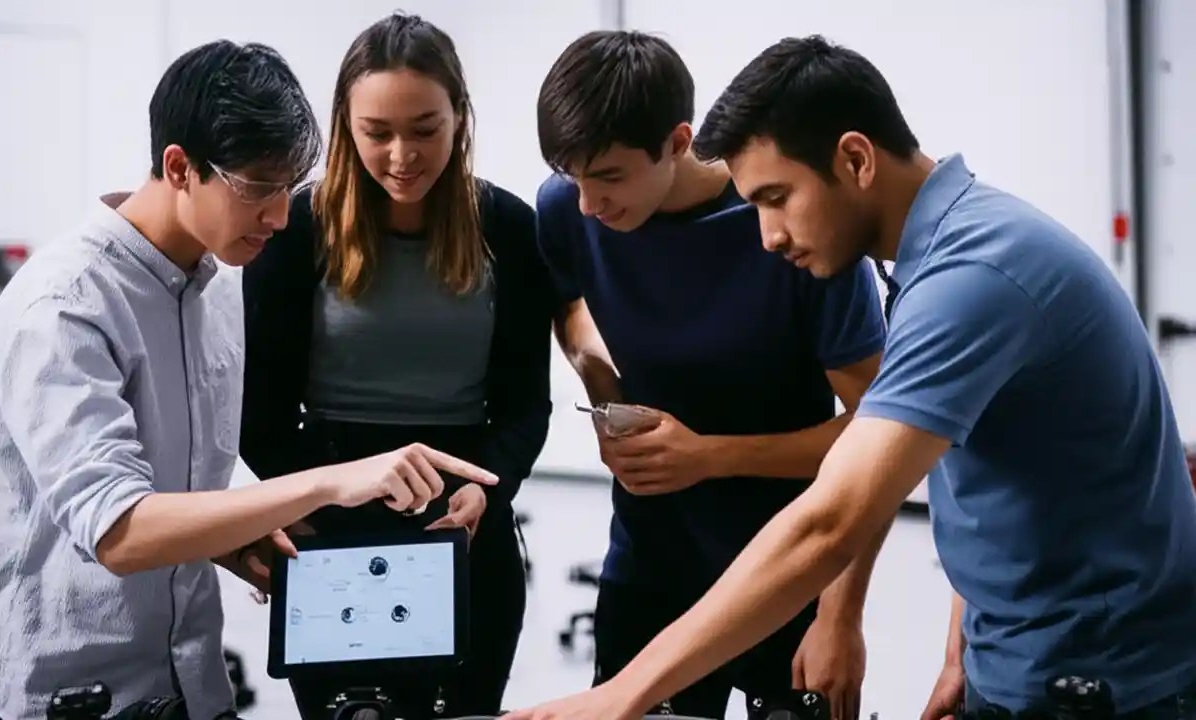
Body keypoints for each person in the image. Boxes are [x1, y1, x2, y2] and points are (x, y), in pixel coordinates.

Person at [505, 34, 1196, 720]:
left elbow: (831, 521)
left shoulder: (972, 280)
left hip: (1105, 678)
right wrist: (965, 650)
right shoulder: (949, 253)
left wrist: (621, 696)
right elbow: (988, 465)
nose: (768, 235)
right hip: (1016, 656)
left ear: (856, 160)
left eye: (777, 197)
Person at [0, 40, 496, 720]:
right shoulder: (62, 309)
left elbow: (169, 486)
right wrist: (325, 483)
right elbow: (120, 531)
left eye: (287, 189)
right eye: (259, 188)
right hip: (70, 696)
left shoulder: (217, 289)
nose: (280, 216)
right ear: (180, 167)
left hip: (189, 681)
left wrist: (231, 538)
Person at [530, 30, 889, 720]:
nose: (588, 205)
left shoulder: (786, 222)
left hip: (791, 557)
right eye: (573, 178)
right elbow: (570, 306)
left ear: (677, 141)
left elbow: (877, 434)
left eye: (609, 177)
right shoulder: (565, 208)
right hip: (652, 555)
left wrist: (839, 617)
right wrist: (603, 388)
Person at [239, 13, 555, 720]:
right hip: (329, 513)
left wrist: (486, 492)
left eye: (424, 129)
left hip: (464, 513)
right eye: (377, 132)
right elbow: (258, 412)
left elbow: (525, 404)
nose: (402, 155)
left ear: (459, 118)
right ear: (345, 126)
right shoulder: (297, 228)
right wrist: (310, 502)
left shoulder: (507, 227)